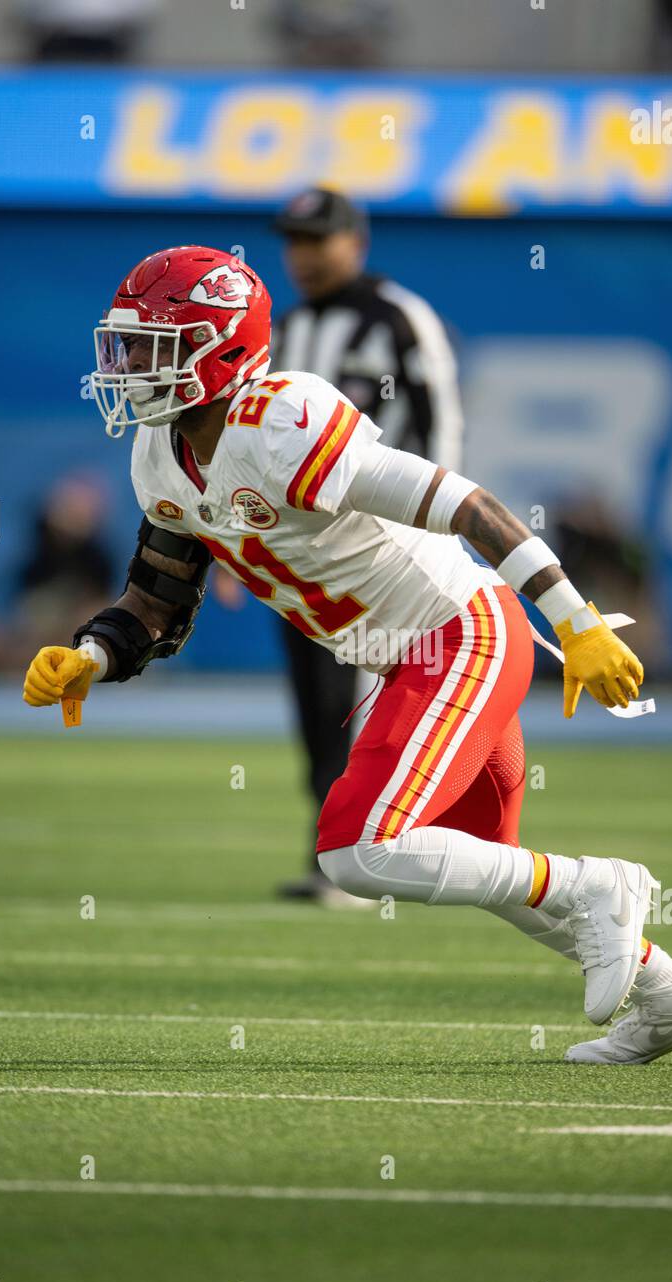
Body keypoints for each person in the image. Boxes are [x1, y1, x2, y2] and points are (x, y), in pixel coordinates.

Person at [23, 244, 672, 1064]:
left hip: (458, 629)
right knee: (487, 868)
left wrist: (575, 622)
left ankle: (599, 885)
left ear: (218, 346)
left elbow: (466, 504)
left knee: (358, 847)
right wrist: (92, 656)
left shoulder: (282, 421)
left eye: (153, 346)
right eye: (128, 344)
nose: (132, 364)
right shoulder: (160, 454)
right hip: (403, 659)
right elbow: (155, 600)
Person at [271, 187, 464, 903]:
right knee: (315, 702)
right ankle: (334, 851)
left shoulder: (399, 318)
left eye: (316, 239)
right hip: (293, 549)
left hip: (376, 548)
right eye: (293, 241)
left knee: (360, 698)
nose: (303, 256)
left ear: (356, 240)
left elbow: (439, 425)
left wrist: (440, 524)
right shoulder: (284, 329)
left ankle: (366, 857)